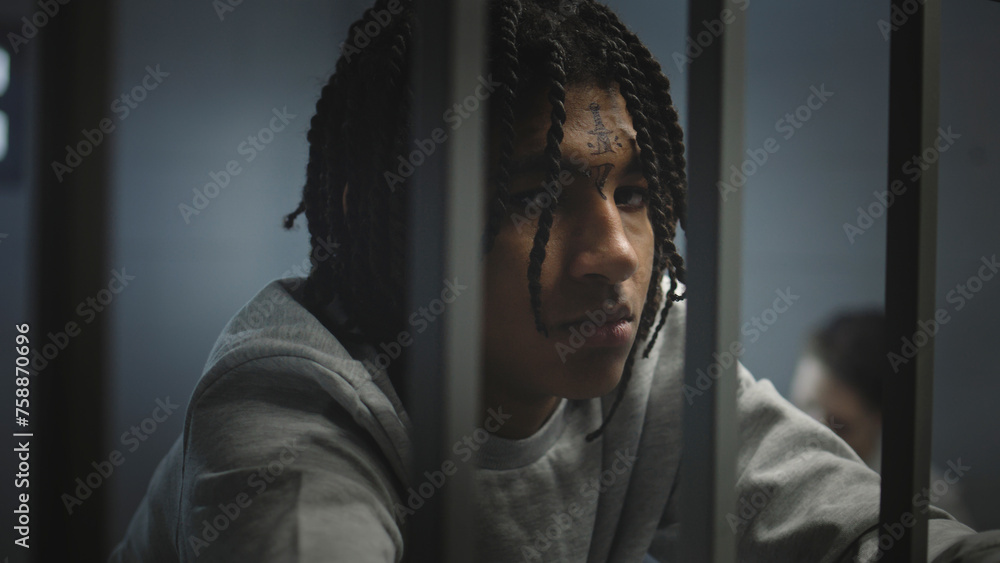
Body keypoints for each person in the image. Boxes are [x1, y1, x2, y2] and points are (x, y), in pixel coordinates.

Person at [109, 1, 1000, 561]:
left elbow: (864, 530)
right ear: (382, 210)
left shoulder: (650, 347)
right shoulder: (289, 404)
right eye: (535, 194)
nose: (615, 251)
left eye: (637, 191)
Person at [791, 309, 977, 529]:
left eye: (838, 425)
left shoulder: (930, 506)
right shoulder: (769, 473)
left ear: (882, 418)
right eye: (801, 409)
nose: (813, 438)